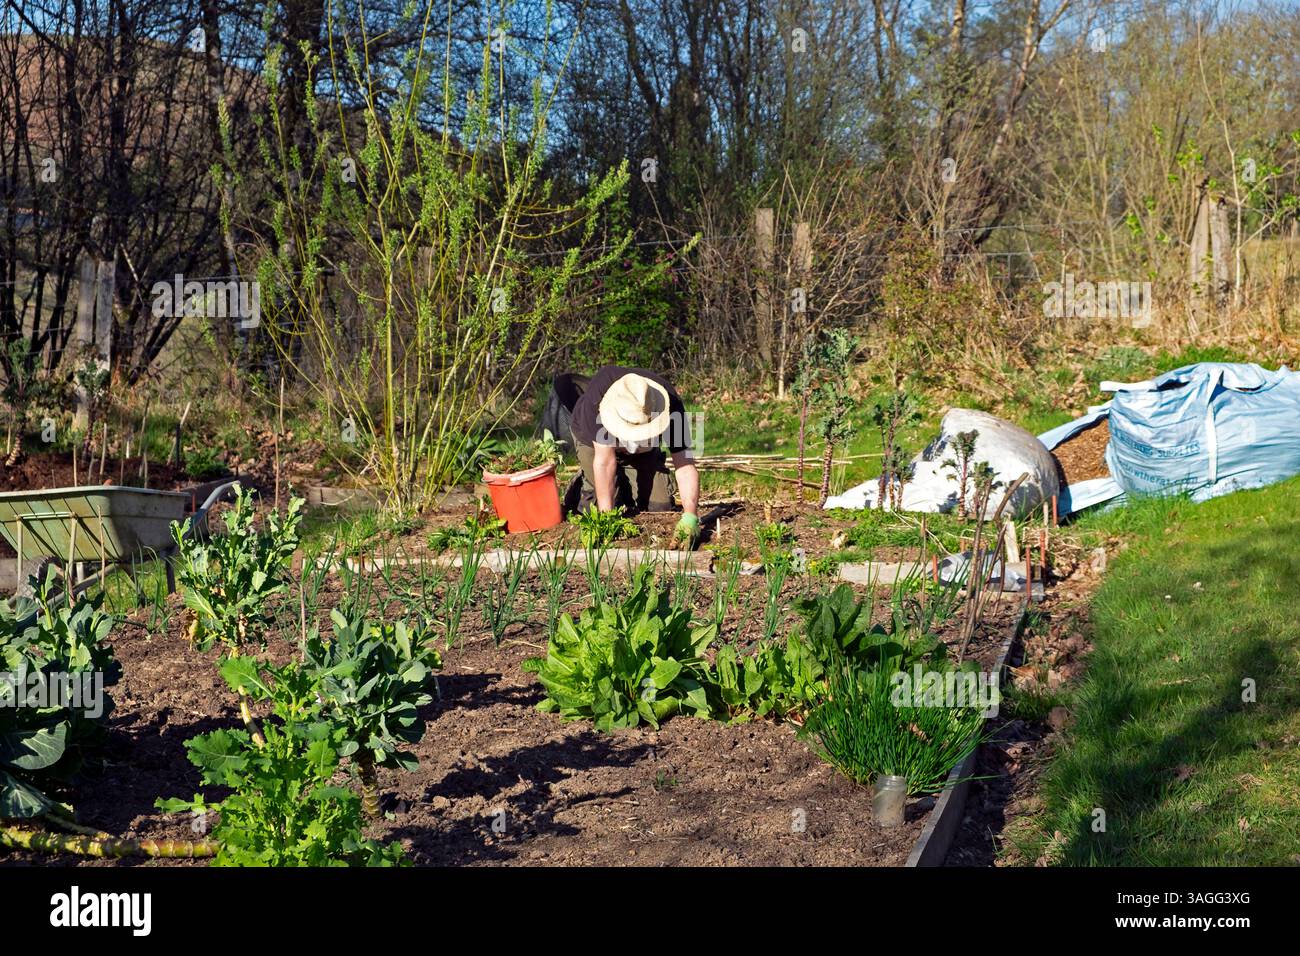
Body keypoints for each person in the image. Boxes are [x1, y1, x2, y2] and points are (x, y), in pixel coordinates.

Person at [568, 366, 700, 543]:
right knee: (598, 507)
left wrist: (691, 517)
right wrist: (607, 521)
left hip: (642, 450)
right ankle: (584, 484)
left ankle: (624, 481)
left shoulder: (672, 404)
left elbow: (685, 466)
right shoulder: (597, 397)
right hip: (592, 442)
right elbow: (605, 462)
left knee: (660, 507)